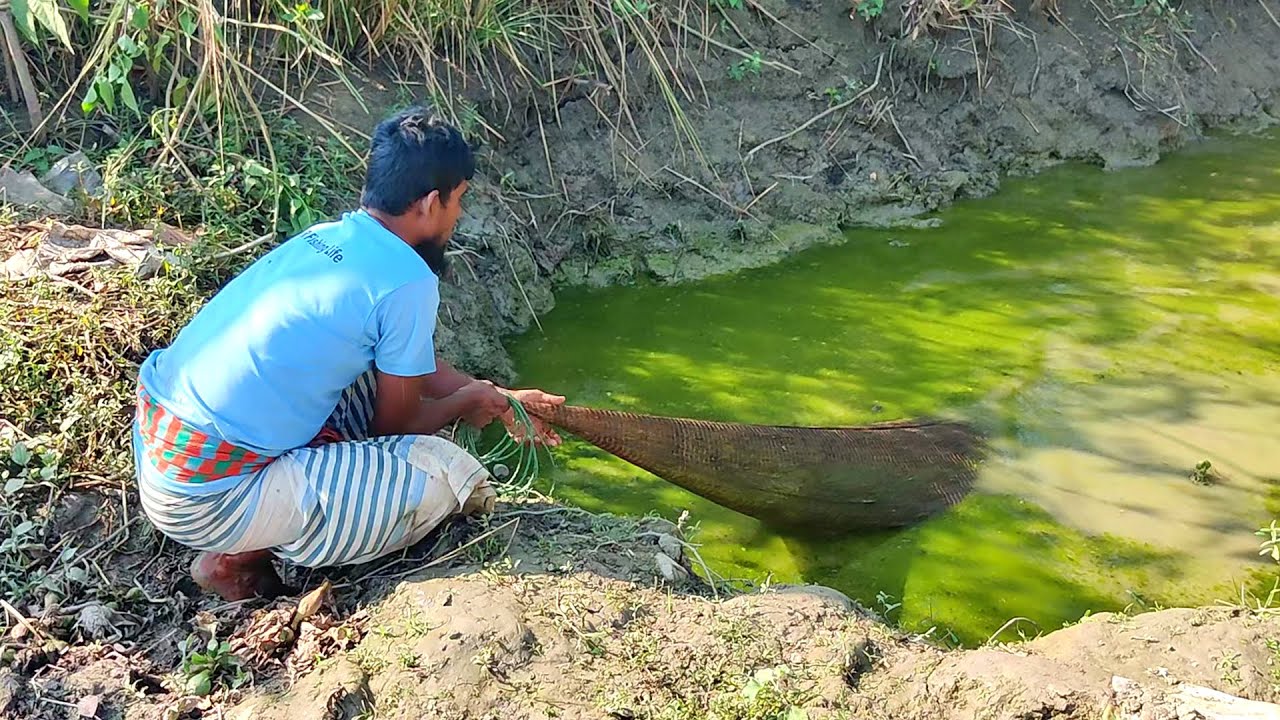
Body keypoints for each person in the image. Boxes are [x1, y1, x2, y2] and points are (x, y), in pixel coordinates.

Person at [132, 107, 564, 601]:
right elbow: (393, 429)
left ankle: (254, 525)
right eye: (458, 201)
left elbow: (412, 370)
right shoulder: (407, 279)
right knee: (446, 477)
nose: (459, 216)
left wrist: (499, 397)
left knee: (364, 375)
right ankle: (236, 555)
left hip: (163, 453)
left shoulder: (327, 240)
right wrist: (464, 404)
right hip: (207, 496)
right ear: (428, 203)